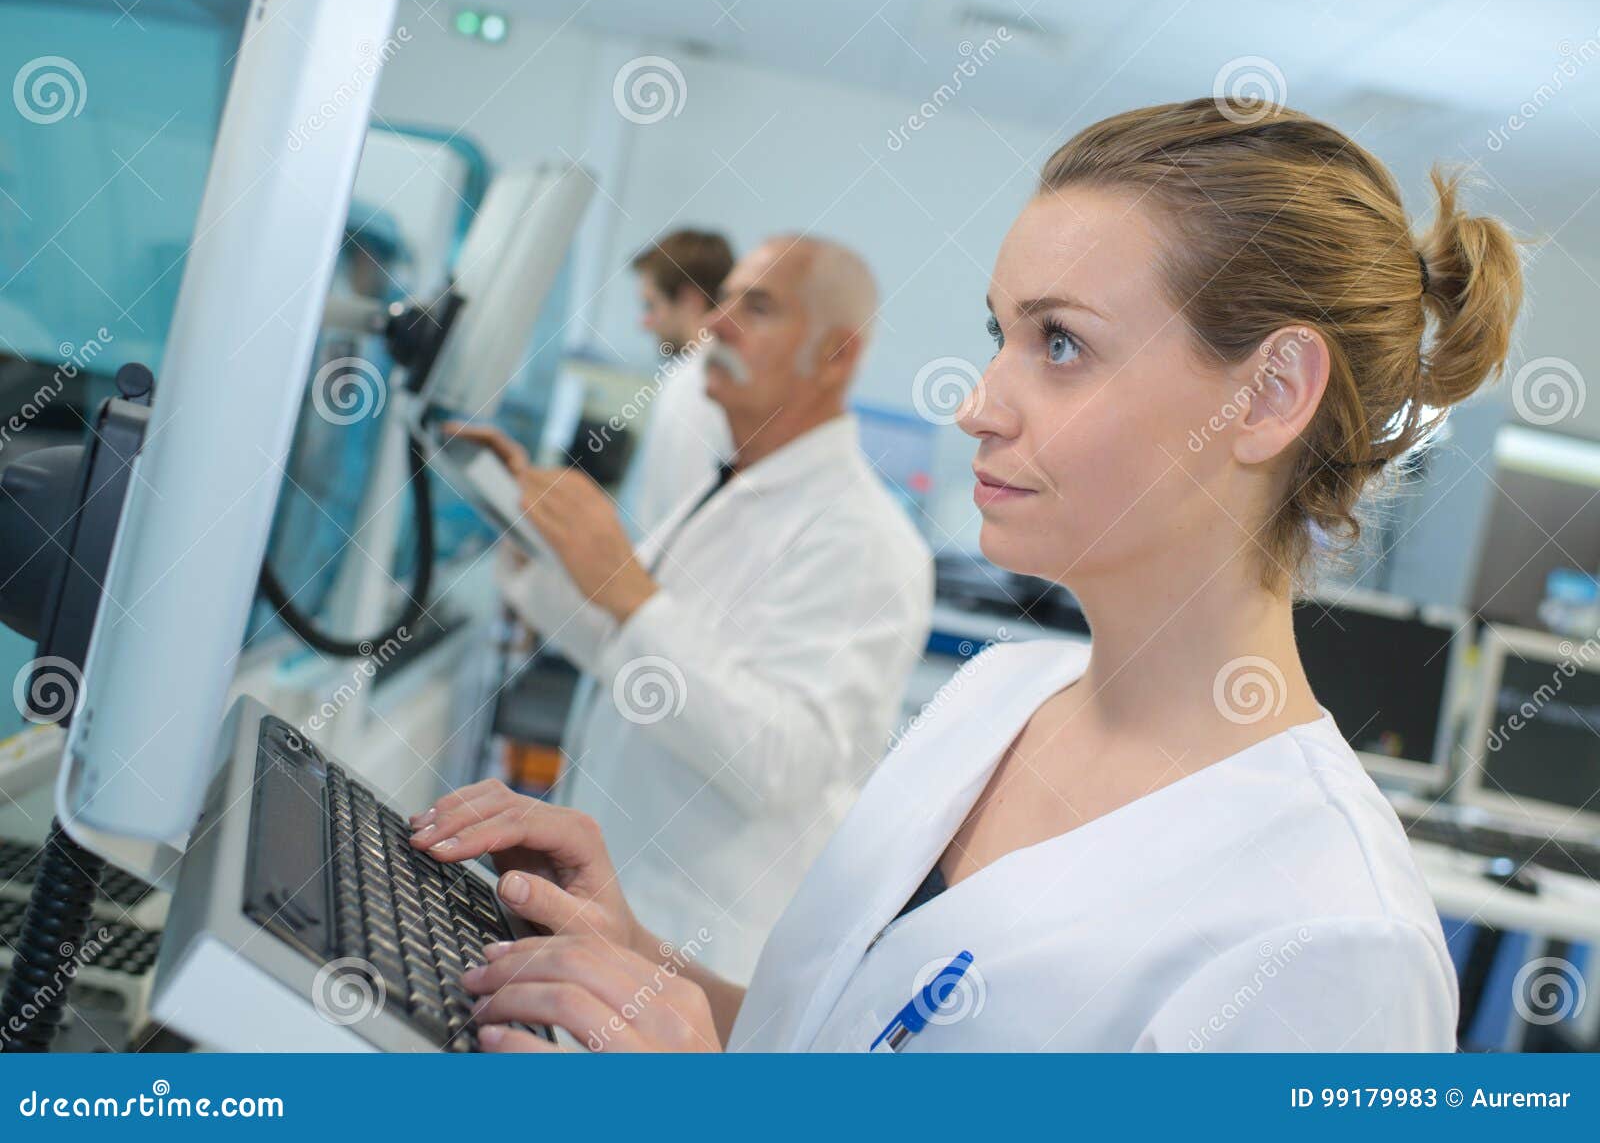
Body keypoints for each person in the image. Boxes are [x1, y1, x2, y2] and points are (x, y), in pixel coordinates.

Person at [415, 98, 1523, 1051]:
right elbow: (827, 1040)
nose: (976, 404)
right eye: (1000, 334)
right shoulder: (1000, 693)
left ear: (1269, 394)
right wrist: (640, 967)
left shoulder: (1332, 939)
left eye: (1061, 343)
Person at [441, 235, 934, 982]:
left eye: (757, 307)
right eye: (724, 299)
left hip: (699, 951)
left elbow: (780, 763)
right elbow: (627, 653)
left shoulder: (866, 542)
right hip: (617, 906)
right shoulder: (728, 484)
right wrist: (529, 539)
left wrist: (625, 585)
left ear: (838, 354)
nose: (717, 324)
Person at [622, 228, 736, 535]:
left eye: (651, 306)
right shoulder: (704, 374)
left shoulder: (696, 385)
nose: (644, 323)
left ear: (689, 300)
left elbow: (681, 515)